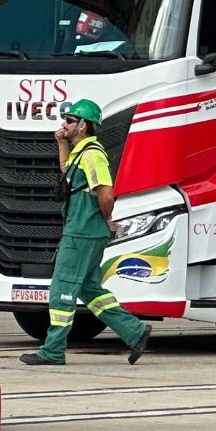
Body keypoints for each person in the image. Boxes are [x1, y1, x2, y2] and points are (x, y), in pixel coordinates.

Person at [20, 99, 152, 366]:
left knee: (62, 289)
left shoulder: (93, 154)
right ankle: (134, 331)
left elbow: (106, 193)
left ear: (83, 125)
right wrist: (61, 143)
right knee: (90, 290)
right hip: (82, 229)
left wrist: (106, 219)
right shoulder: (81, 151)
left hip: (82, 232)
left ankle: (53, 351)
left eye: (69, 120)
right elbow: (67, 172)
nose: (64, 124)